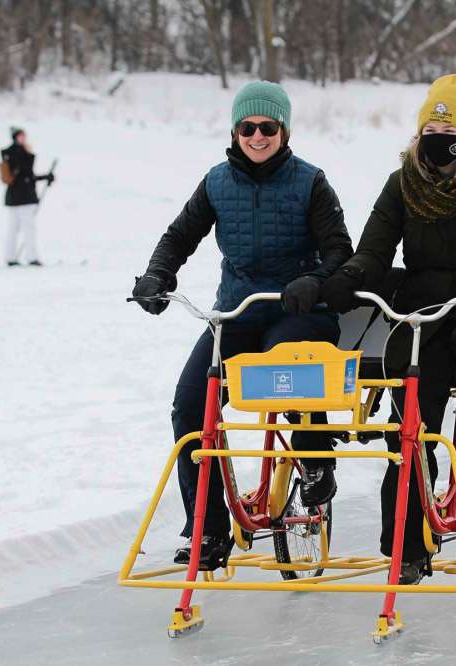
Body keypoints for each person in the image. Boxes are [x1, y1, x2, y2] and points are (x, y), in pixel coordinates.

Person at [319, 74, 456, 585]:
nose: (438, 136)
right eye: (430, 127)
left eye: (448, 127)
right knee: (413, 416)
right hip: (423, 313)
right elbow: (375, 251)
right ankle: (406, 545)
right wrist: (349, 279)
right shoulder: (402, 184)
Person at [132, 81, 353, 570]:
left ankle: (315, 458)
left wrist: (314, 281)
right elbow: (179, 236)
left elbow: (341, 250)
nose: (257, 136)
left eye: (267, 127)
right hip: (237, 311)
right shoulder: (216, 183)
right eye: (247, 127)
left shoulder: (311, 181)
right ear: (235, 132)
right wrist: (156, 276)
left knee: (290, 371)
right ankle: (207, 529)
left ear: (283, 131)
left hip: (299, 311)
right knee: (191, 404)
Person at [1, 128, 54, 267]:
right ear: (15, 137)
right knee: (27, 228)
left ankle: (11, 256)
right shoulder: (19, 152)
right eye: (20, 136)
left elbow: (26, 176)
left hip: (13, 197)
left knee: (14, 228)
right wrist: (44, 177)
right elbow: (26, 176)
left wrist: (44, 177)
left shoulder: (11, 153)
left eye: (23, 136)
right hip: (23, 197)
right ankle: (31, 257)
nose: (23, 138)